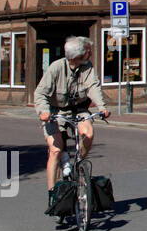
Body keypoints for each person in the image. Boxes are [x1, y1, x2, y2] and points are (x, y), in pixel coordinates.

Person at [34, 36, 110, 197]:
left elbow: (93, 87)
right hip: (54, 111)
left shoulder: (87, 67)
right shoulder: (56, 68)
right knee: (55, 150)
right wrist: (44, 112)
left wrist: (102, 107)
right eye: (88, 51)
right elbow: (40, 93)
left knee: (88, 134)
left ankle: (77, 164)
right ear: (78, 56)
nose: (90, 54)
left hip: (78, 110)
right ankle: (53, 194)